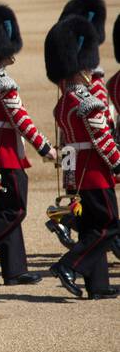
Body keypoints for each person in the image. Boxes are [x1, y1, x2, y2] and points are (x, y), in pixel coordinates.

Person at [0, 4, 56, 285]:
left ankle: (14, 269)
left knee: (4, 211)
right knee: (15, 210)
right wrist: (45, 148)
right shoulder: (3, 82)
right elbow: (21, 120)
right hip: (5, 154)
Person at [45, 17, 120, 299]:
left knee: (91, 228)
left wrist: (68, 178)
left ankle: (98, 285)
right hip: (96, 173)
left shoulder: (62, 105)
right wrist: (118, 164)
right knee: (109, 226)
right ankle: (68, 266)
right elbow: (103, 141)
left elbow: (66, 144)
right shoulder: (89, 102)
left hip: (77, 173)